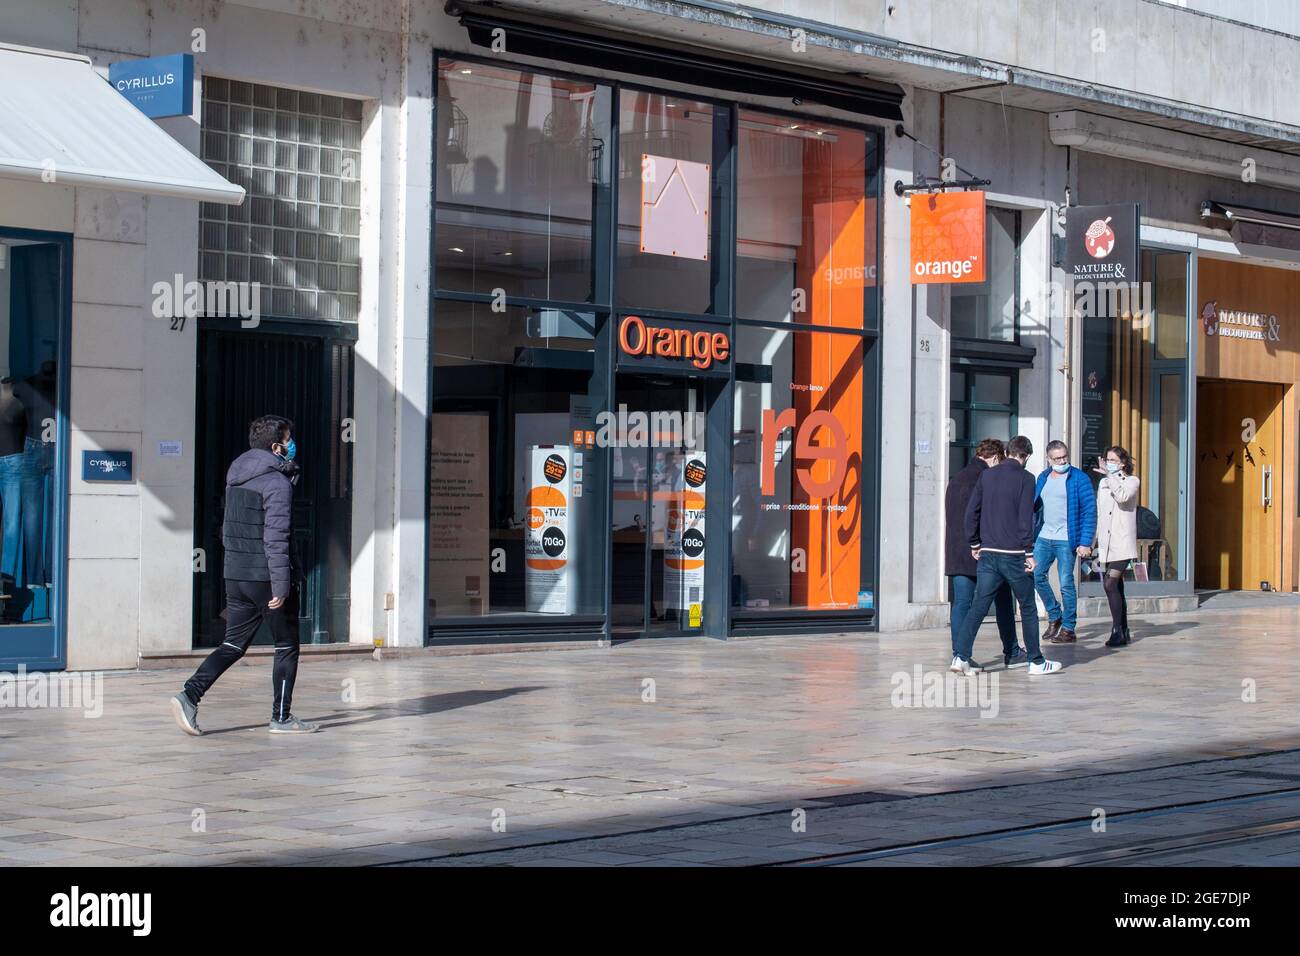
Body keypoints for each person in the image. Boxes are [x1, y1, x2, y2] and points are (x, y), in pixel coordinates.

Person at [170, 415, 318, 735]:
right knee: (286, 646)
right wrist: (281, 585)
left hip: (236, 574)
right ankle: (281, 717)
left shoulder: (236, 478)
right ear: (276, 445)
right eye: (288, 439)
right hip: (266, 576)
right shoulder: (276, 483)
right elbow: (275, 537)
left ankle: (189, 695)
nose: (292, 444)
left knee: (233, 645)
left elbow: (229, 531)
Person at [953, 435, 1062, 676]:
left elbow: (972, 512)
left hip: (988, 554)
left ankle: (960, 656)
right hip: (1013, 554)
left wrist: (974, 542)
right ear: (1024, 455)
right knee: (1027, 606)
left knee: (978, 606)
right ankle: (1035, 660)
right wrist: (1029, 552)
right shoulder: (1026, 478)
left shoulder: (987, 475)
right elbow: (1025, 518)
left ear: (1008, 451)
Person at [945, 439, 1026, 668]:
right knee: (1003, 601)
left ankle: (959, 655)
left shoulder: (956, 478)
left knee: (961, 603)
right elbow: (981, 515)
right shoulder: (986, 479)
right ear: (995, 457)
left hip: (956, 552)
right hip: (984, 552)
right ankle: (1012, 651)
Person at [1032, 440, 1097, 645]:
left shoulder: (1079, 478)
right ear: (1048, 459)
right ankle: (1054, 614)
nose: (1062, 461)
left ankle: (1068, 628)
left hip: (1067, 538)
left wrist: (1085, 542)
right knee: (1035, 575)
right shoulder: (1043, 477)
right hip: (1044, 536)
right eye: (1058, 458)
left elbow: (1089, 511)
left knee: (1066, 582)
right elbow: (1035, 507)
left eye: (1065, 456)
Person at [1093, 445, 1140, 648]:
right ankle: (1124, 629)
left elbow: (1122, 496)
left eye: (1113, 460)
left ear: (1122, 463)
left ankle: (1116, 630)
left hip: (1123, 542)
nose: (1109, 463)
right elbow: (1099, 513)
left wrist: (1111, 476)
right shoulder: (1103, 483)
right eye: (1107, 459)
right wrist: (1091, 541)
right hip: (1107, 542)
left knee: (1110, 584)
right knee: (1117, 587)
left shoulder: (1132, 481)